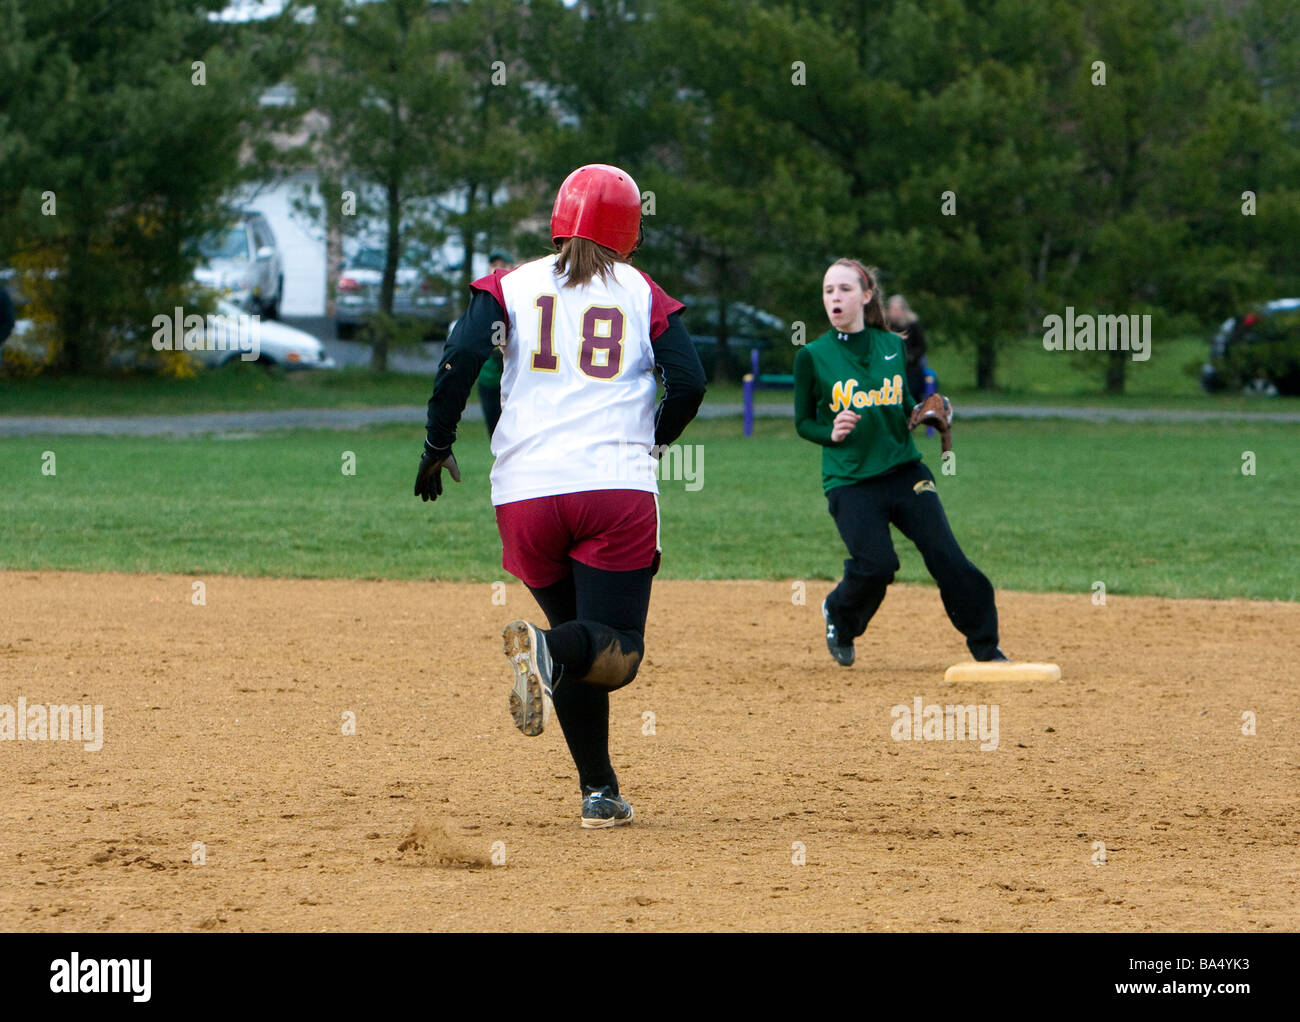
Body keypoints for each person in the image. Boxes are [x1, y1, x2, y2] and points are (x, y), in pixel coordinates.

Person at [414, 164, 706, 828]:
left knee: (583, 638)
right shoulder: (640, 290)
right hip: (611, 490)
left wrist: (437, 446)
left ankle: (599, 792)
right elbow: (689, 382)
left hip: (524, 496)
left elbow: (459, 358)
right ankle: (541, 652)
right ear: (630, 231)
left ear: (557, 220)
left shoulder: (507, 286)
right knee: (618, 651)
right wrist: (652, 443)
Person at [794, 258, 1006, 667]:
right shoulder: (812, 356)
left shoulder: (892, 345)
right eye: (828, 291)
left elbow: (903, 404)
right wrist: (830, 432)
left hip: (904, 471)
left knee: (948, 559)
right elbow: (804, 421)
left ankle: (986, 647)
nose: (835, 297)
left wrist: (925, 411)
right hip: (850, 480)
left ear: (866, 295)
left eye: (844, 289)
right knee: (877, 565)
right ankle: (840, 612)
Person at [475, 252, 512, 436]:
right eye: (494, 264)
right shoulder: (482, 296)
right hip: (489, 377)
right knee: (495, 433)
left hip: (513, 379)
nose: (497, 268)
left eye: (502, 263)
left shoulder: (516, 296)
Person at [888, 295, 937, 402]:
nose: (894, 312)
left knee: (913, 390)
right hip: (893, 365)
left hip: (911, 366)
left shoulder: (912, 325)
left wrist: (911, 356)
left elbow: (921, 346)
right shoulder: (888, 327)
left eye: (897, 309)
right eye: (892, 309)